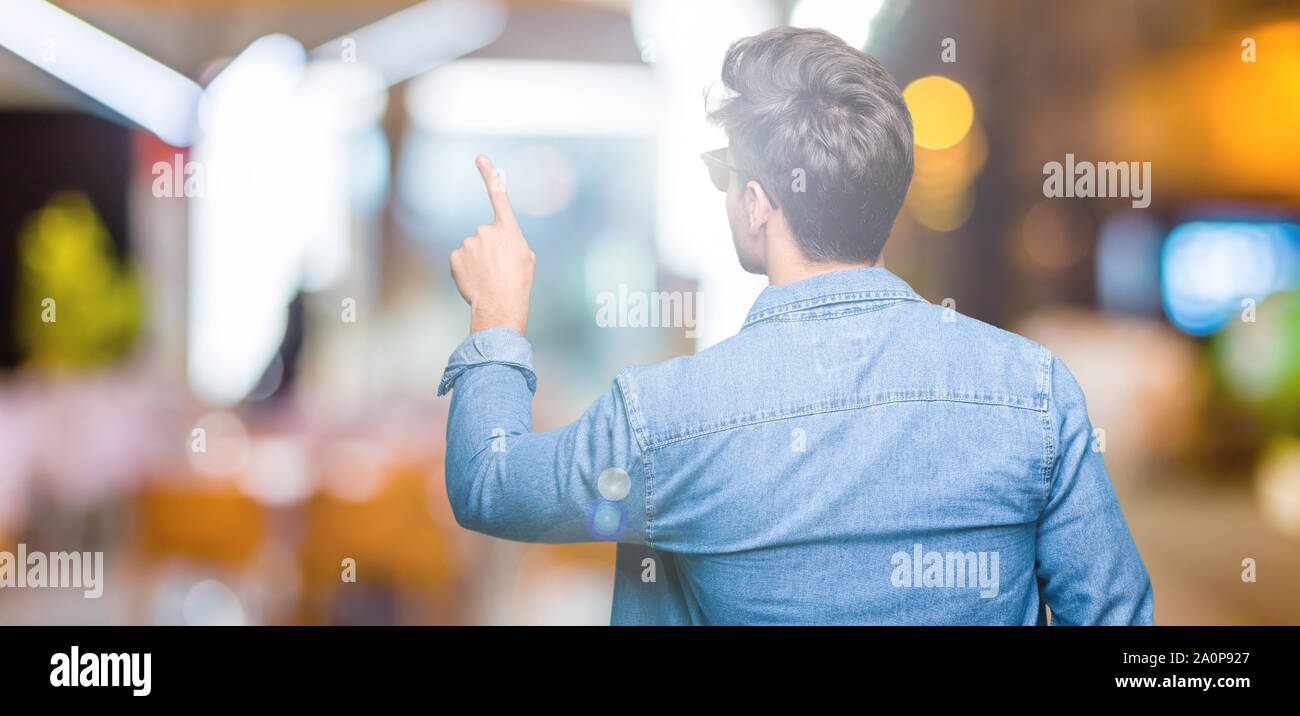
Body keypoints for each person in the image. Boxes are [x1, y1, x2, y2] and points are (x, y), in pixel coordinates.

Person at [439, 27, 1154, 625]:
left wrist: (497, 312)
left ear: (757, 204)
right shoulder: (1032, 389)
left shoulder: (664, 418)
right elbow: (1117, 619)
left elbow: (490, 484)